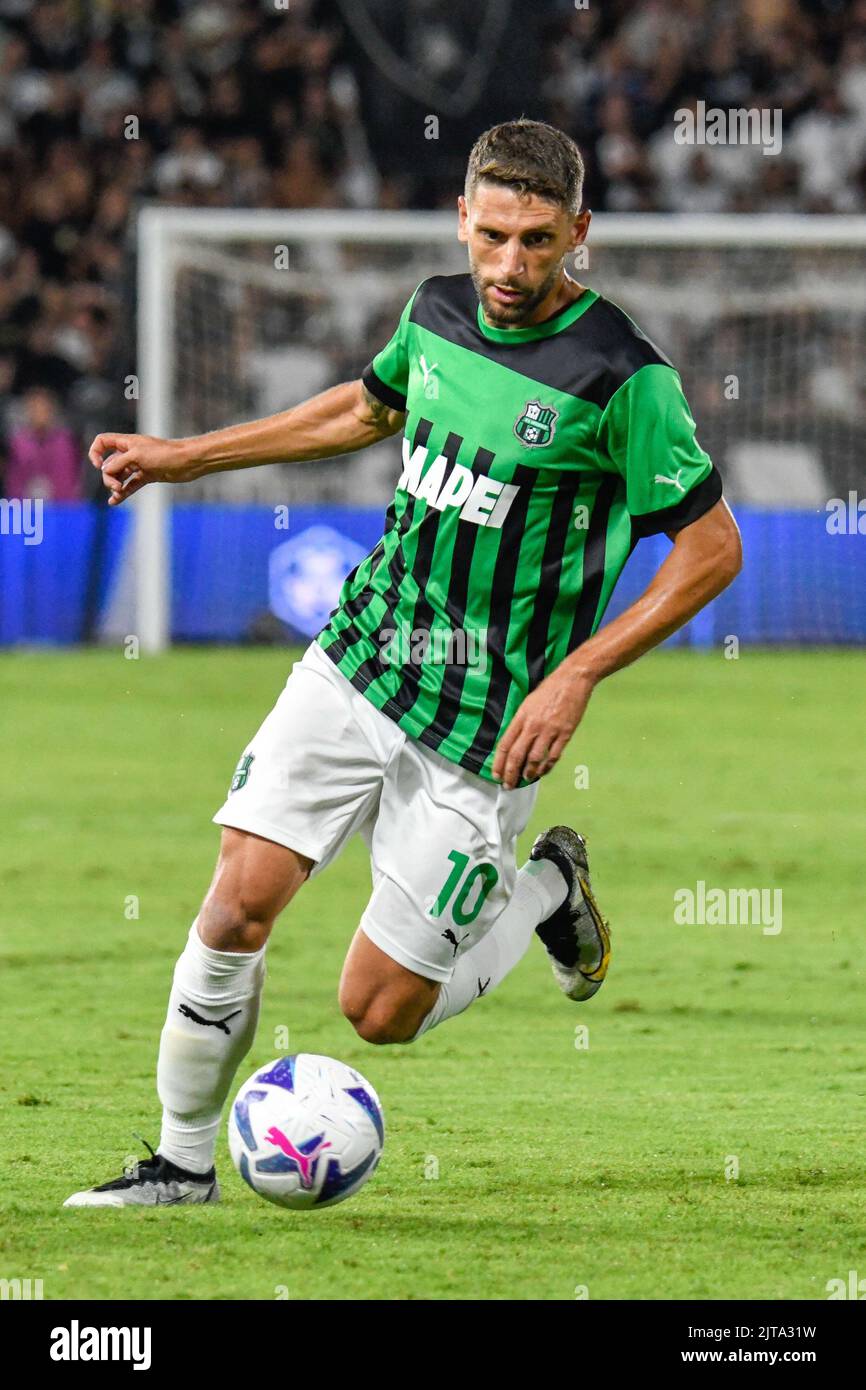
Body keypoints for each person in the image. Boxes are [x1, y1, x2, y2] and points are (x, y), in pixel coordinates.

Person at [65, 119, 741, 1207]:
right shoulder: (432, 308)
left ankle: (545, 890)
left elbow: (712, 550)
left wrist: (574, 675)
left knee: (378, 1013)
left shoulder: (622, 376)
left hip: (489, 723)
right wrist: (187, 455)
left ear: (578, 232)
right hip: (360, 657)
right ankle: (181, 1163)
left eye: (534, 242)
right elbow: (364, 406)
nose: (508, 267)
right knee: (236, 900)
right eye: (489, 236)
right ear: (459, 221)